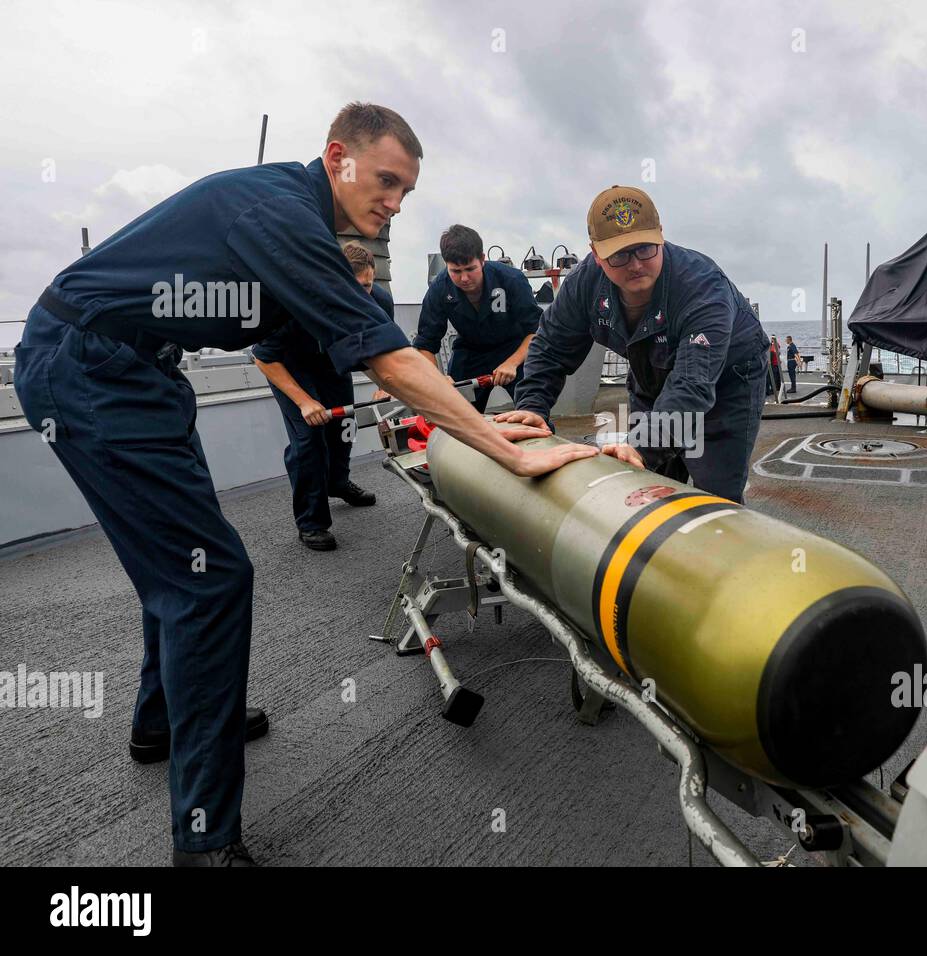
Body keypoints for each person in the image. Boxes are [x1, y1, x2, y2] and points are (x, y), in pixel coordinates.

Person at [12, 103, 594, 867]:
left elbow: (356, 344)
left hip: (143, 373)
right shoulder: (279, 213)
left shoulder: (293, 224)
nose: (393, 202)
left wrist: (482, 422)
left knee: (181, 568)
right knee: (210, 581)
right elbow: (389, 360)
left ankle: (164, 720)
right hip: (88, 367)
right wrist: (503, 451)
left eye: (406, 193)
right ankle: (205, 840)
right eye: (385, 180)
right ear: (337, 157)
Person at [502, 185, 768, 503]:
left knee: (715, 491)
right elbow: (550, 348)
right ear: (596, 254)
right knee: (648, 489)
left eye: (644, 248)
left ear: (661, 235)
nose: (635, 264)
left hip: (726, 380)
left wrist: (641, 446)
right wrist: (531, 406)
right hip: (651, 372)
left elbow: (692, 384)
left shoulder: (701, 287)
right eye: (620, 254)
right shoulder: (584, 284)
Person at [251, 242, 391, 551]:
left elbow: (380, 351)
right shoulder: (292, 301)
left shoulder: (378, 300)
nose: (361, 296)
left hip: (331, 361)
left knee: (343, 426)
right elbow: (263, 358)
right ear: (335, 279)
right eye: (354, 288)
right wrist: (304, 401)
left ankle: (337, 482)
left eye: (367, 287)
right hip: (289, 366)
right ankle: (311, 523)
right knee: (309, 438)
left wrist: (386, 383)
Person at [412, 224, 541, 413]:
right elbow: (426, 343)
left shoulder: (511, 279)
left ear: (482, 259)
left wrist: (512, 363)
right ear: (446, 265)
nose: (464, 278)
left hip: (514, 349)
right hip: (470, 353)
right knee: (457, 415)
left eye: (470, 269)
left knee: (534, 409)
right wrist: (438, 379)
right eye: (456, 271)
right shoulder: (439, 289)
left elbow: (536, 330)